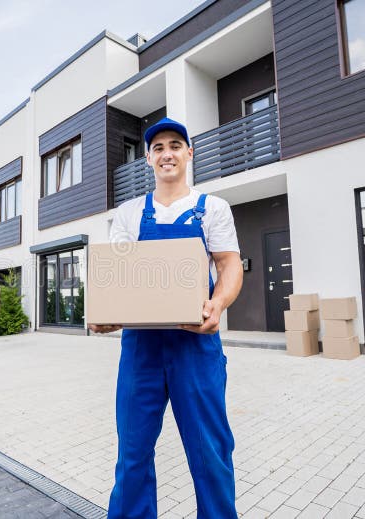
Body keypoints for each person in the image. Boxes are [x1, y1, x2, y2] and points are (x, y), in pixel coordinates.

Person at [90, 117, 243, 518]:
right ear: (148, 159)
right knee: (133, 452)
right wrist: (108, 315)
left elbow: (229, 266)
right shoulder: (128, 213)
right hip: (141, 349)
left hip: (196, 343)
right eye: (158, 148)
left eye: (175, 145)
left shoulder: (212, 209)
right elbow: (122, 278)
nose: (167, 153)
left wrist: (219, 305)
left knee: (211, 451)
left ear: (189, 153)